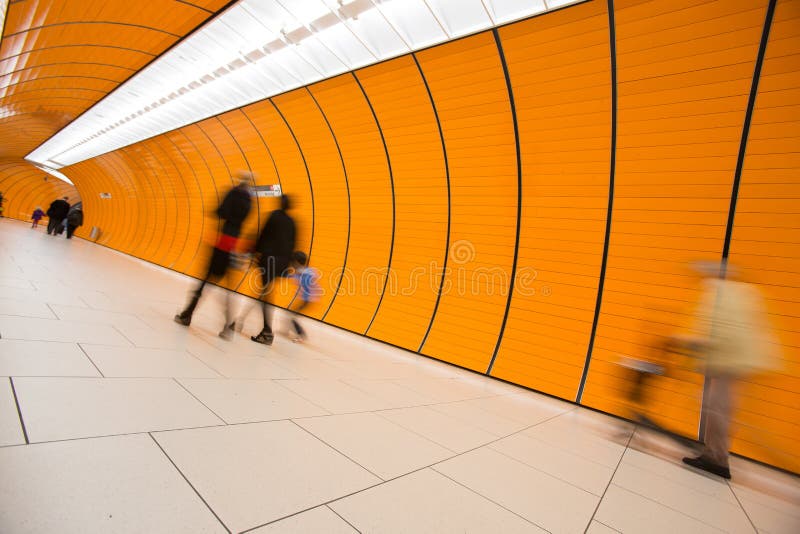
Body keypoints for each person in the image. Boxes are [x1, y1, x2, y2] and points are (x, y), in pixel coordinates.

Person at [669, 261, 778, 480]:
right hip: (740, 362)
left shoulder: (717, 293)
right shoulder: (744, 293)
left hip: (730, 362)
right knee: (717, 406)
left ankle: (717, 459)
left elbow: (716, 332)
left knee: (715, 407)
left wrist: (685, 341)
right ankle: (714, 454)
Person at [174, 173, 253, 339]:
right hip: (234, 244)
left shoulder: (232, 192)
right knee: (228, 288)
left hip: (221, 241)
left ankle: (186, 315)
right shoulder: (250, 200)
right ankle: (228, 326)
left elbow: (221, 211)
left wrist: (216, 211)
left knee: (205, 281)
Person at [249, 194, 295, 345]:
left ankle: (267, 331)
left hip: (268, 260)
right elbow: (292, 245)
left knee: (265, 294)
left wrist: (254, 252)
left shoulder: (274, 216)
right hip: (281, 264)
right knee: (265, 293)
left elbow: (263, 235)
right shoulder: (292, 223)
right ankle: (263, 329)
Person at [286, 251, 321, 343]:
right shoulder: (305, 271)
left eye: (293, 262)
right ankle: (288, 331)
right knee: (290, 314)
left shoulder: (304, 273)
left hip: (307, 299)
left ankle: (301, 335)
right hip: (308, 299)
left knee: (292, 316)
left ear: (297, 262)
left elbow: (307, 284)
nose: (291, 264)